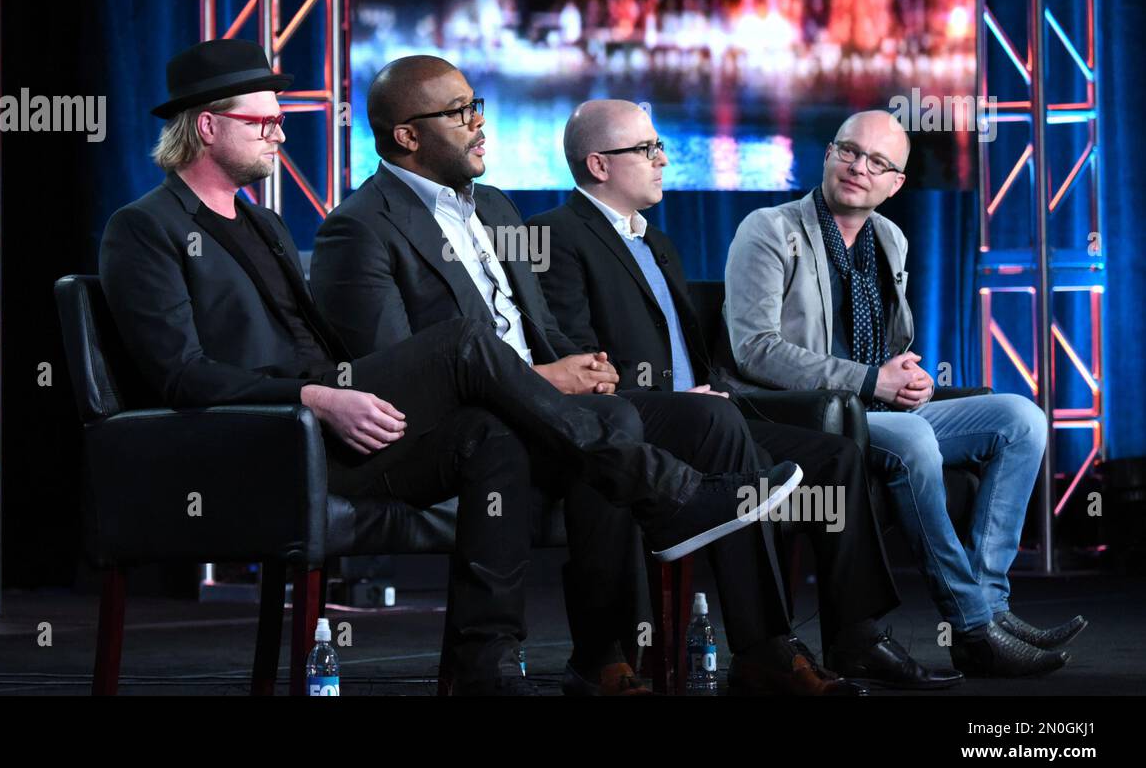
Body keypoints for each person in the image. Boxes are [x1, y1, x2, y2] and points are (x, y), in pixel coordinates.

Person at [98, 39, 798, 696]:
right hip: (268, 436)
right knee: (463, 340)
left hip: (337, 415)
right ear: (209, 126)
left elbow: (323, 347)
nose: (281, 135)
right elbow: (181, 373)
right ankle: (668, 494)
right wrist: (314, 395)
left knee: (501, 437)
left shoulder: (264, 224)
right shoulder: (144, 227)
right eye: (264, 123)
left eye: (280, 122)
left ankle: (483, 661)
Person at [310, 56, 941, 694]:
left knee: (709, 416)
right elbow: (405, 375)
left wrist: (579, 371)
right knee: (606, 423)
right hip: (453, 429)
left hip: (544, 406)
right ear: (407, 136)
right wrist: (548, 382)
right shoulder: (359, 227)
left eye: (477, 107)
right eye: (458, 112)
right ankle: (606, 647)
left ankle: (764, 648)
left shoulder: (495, 209)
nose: (479, 124)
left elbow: (545, 333)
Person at [528, 98, 960, 690]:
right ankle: (762, 647)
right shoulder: (555, 234)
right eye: (647, 149)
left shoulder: (657, 242)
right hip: (626, 423)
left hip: (699, 416)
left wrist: (703, 394)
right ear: (600, 165)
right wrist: (678, 400)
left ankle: (855, 635)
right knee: (721, 429)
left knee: (836, 457)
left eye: (660, 146)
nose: (663, 159)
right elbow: (575, 363)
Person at [723, 109, 1087, 676]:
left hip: (877, 405)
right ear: (827, 155)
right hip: (809, 415)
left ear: (895, 184)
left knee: (1022, 418)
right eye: (848, 151)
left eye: (878, 163)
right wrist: (872, 380)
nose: (857, 168)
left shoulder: (890, 238)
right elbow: (755, 351)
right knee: (915, 436)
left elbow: (892, 345)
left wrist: (908, 377)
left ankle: (991, 601)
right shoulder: (769, 229)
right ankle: (972, 625)